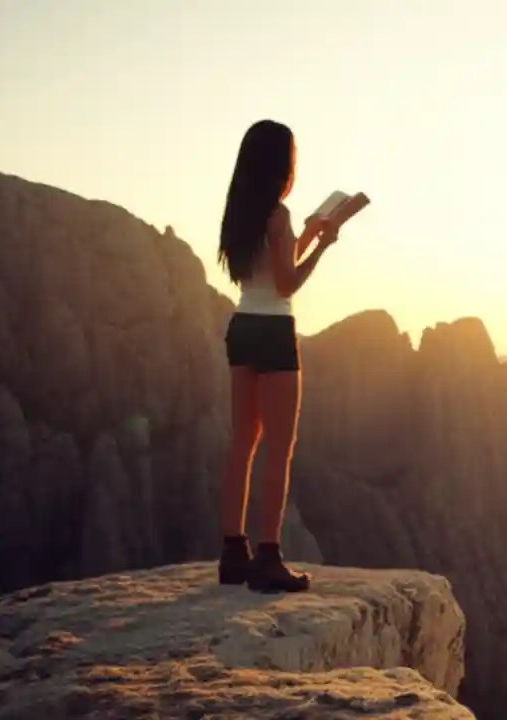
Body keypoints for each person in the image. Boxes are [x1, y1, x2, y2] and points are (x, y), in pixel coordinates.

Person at [215, 119, 337, 592]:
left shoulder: (240, 212)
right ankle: (268, 558)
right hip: (274, 334)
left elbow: (267, 269)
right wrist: (322, 247)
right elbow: (286, 283)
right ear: (281, 164)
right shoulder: (278, 213)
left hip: (242, 327)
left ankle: (233, 553)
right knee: (278, 450)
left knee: (241, 443)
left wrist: (304, 236)